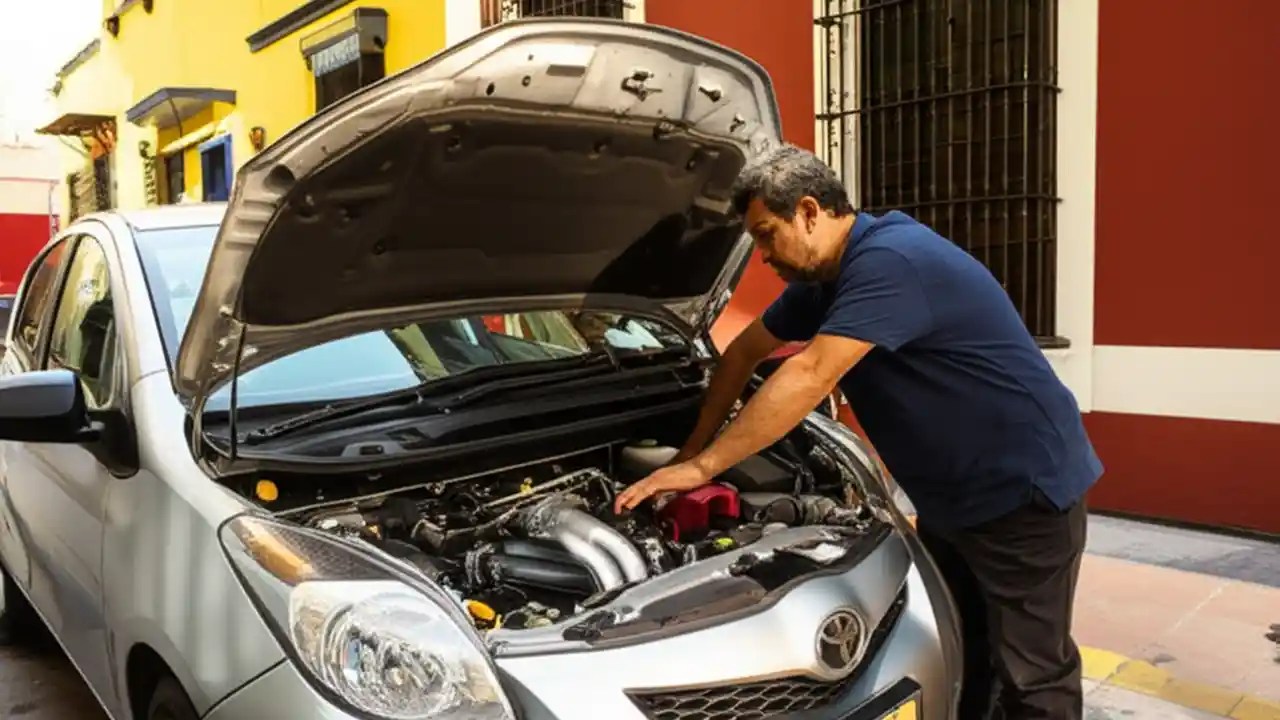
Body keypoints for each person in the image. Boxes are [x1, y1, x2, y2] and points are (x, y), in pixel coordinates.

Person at [613, 144, 1101, 720]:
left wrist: (704, 469)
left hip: (1022, 495)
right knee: (967, 645)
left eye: (767, 235)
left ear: (810, 212)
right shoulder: (824, 281)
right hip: (955, 499)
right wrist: (691, 450)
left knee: (1033, 675)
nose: (764, 256)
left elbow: (810, 373)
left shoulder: (892, 261)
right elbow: (743, 353)